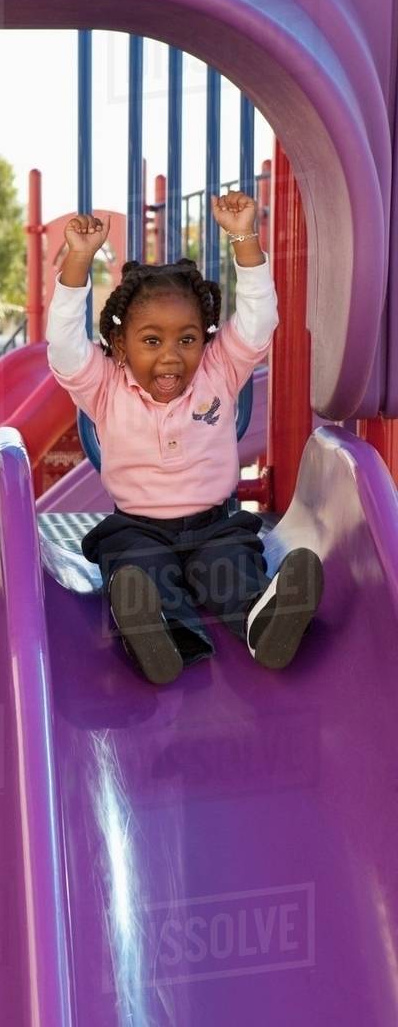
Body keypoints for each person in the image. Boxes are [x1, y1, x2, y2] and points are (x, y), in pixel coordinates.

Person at [46, 193, 323, 685]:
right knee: (138, 573)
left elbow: (259, 320)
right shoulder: (106, 385)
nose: (171, 356)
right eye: (152, 341)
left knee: (230, 572)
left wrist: (244, 237)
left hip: (217, 526)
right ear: (120, 346)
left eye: (187, 339)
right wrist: (79, 261)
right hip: (137, 529)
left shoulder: (219, 371)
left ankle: (266, 626)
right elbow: (65, 345)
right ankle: (158, 637)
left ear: (206, 339)